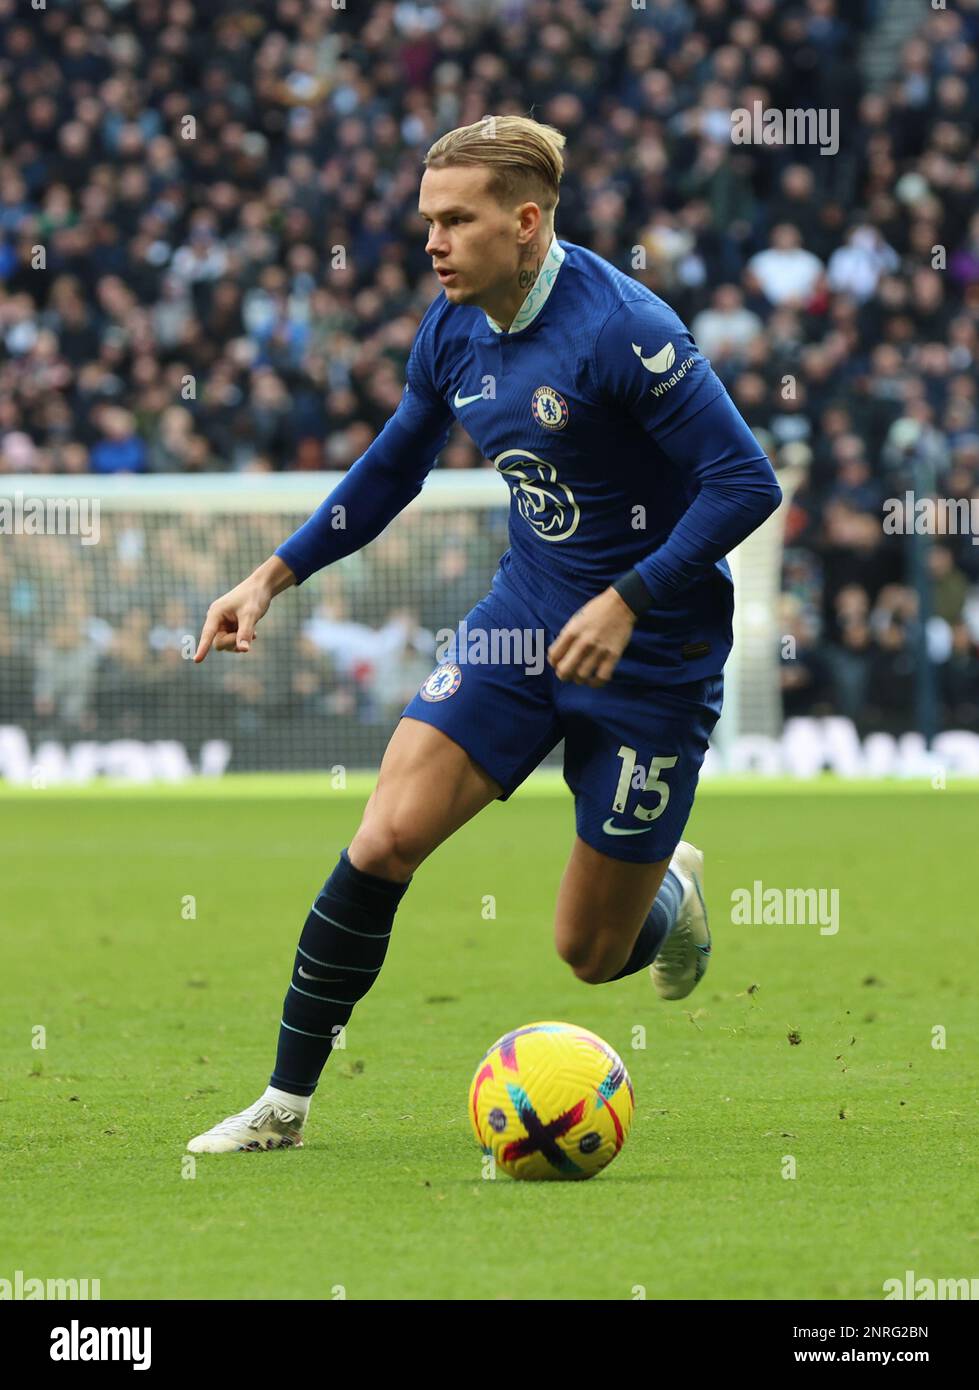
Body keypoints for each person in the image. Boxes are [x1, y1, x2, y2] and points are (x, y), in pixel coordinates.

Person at [187, 116, 782, 1155]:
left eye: (454, 220)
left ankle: (671, 889)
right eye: (426, 220)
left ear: (525, 221)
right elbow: (392, 468)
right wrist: (271, 575)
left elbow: (745, 483)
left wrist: (631, 595)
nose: (432, 242)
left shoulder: (624, 331)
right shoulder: (453, 327)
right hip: (523, 621)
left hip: (655, 652)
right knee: (383, 839)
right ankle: (283, 1106)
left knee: (590, 954)